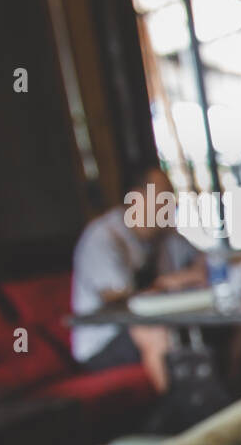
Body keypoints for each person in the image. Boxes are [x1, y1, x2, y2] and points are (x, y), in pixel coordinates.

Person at [70, 158, 205, 392]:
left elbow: (205, 263)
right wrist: (166, 283)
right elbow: (119, 300)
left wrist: (193, 273)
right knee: (152, 330)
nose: (171, 204)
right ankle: (182, 414)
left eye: (171, 196)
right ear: (136, 199)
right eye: (163, 196)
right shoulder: (103, 237)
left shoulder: (164, 235)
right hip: (102, 344)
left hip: (155, 323)